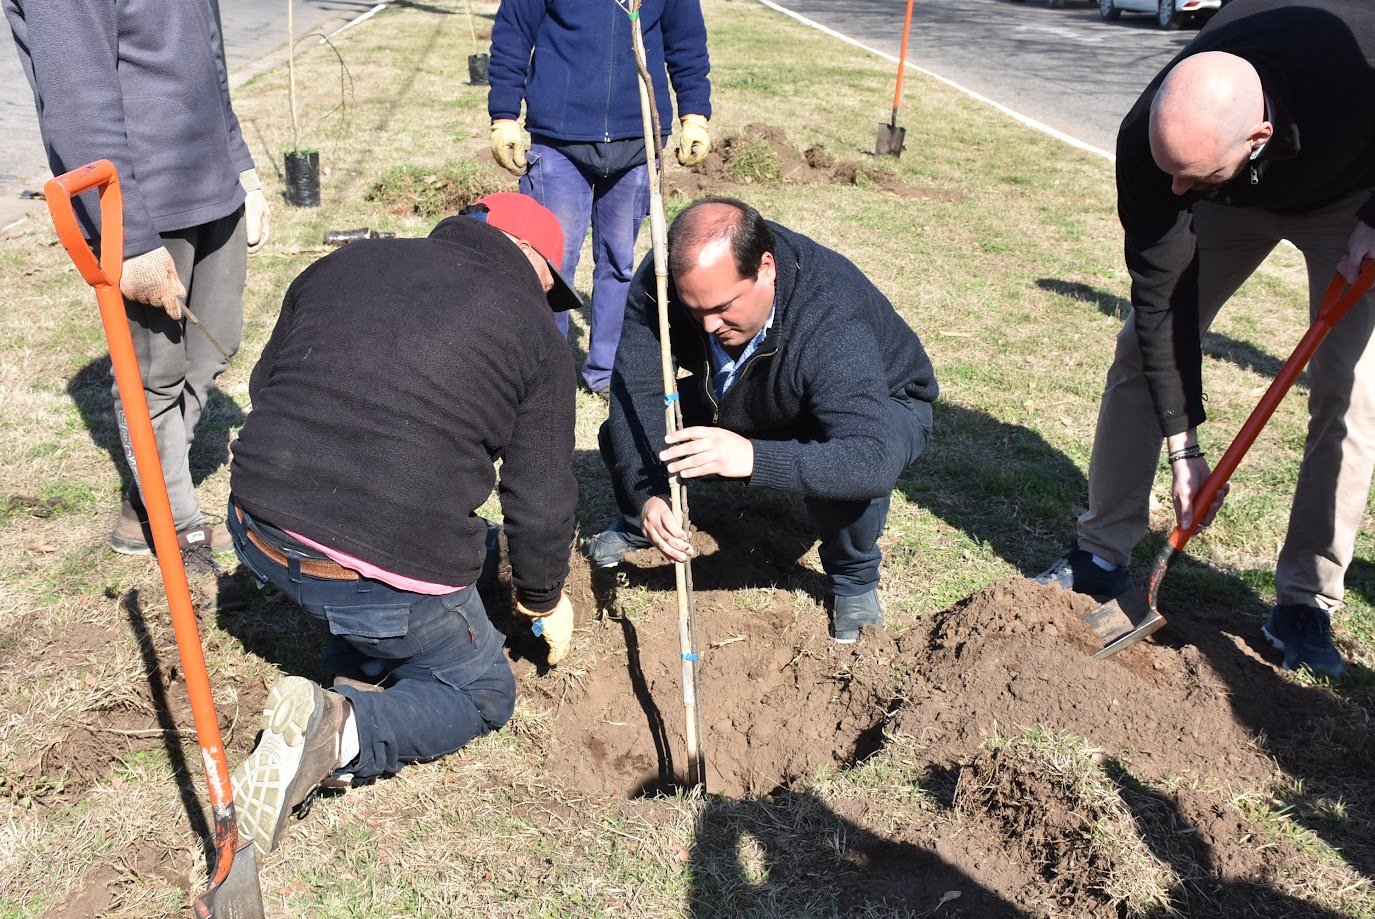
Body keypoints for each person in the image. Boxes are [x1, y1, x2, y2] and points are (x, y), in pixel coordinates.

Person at [226, 193, 581, 855]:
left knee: (460, 554)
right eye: (550, 286)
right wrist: (541, 598)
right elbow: (539, 501)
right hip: (374, 569)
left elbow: (265, 385)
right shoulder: (536, 337)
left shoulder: (344, 263)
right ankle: (337, 732)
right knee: (481, 693)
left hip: (255, 523)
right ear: (530, 256)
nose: (548, 302)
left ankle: (357, 651)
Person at [1035, 0, 1375, 678]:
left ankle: (1305, 600)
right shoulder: (1158, 145)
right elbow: (1161, 300)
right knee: (1139, 349)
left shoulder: (1356, 62)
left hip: (1349, 186)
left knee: (1352, 388)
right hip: (1229, 193)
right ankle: (1099, 554)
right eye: (1170, 168)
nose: (1173, 186)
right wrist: (1183, 446)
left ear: (1259, 134)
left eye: (1186, 174)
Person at [583, 197, 937, 643]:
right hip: (749, 390)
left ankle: (853, 578)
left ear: (766, 268)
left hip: (880, 407)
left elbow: (870, 458)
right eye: (694, 310)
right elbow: (636, 388)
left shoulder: (830, 315)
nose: (708, 327)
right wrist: (648, 494)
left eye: (722, 308)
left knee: (841, 475)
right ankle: (645, 526)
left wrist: (750, 457)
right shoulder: (661, 280)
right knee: (627, 430)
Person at [4, 0, 271, 563]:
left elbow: (209, 61)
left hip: (213, 185)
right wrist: (128, 239)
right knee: (154, 377)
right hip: (144, 203)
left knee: (214, 349)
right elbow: (78, 105)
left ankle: (145, 498)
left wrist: (242, 169)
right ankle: (178, 526)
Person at [486, 0, 713, 400]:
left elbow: (687, 41)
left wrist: (694, 114)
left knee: (619, 262)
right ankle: (543, 370)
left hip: (638, 138)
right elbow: (514, 32)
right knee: (548, 263)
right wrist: (504, 116)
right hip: (559, 138)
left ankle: (606, 371)